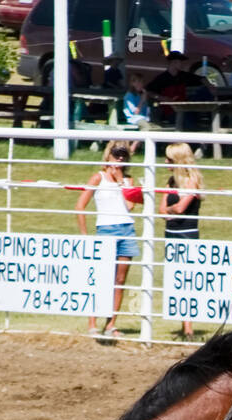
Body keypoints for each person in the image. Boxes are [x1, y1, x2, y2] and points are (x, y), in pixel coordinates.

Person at [75, 142, 139, 338]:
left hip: (126, 229)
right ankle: (92, 323)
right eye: (116, 154)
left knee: (120, 279)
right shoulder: (98, 177)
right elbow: (80, 206)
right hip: (106, 229)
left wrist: (121, 183)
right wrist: (85, 235)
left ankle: (111, 323)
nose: (120, 158)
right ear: (108, 155)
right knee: (102, 278)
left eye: (123, 155)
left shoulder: (129, 180)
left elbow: (130, 206)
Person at [160, 142, 204, 339]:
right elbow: (163, 210)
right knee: (175, 278)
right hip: (171, 233)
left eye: (169, 159)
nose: (165, 162)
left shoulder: (192, 180)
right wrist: (171, 210)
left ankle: (188, 328)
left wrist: (171, 210)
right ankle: (183, 324)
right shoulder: (171, 181)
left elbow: (180, 209)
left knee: (187, 278)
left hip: (187, 233)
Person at [145, 50, 214, 131]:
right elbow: (148, 91)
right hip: (171, 112)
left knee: (204, 91)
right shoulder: (161, 78)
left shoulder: (183, 75)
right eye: (180, 62)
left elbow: (202, 79)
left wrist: (210, 87)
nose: (182, 64)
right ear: (173, 62)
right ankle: (197, 140)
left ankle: (212, 117)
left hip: (186, 108)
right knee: (189, 121)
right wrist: (163, 98)